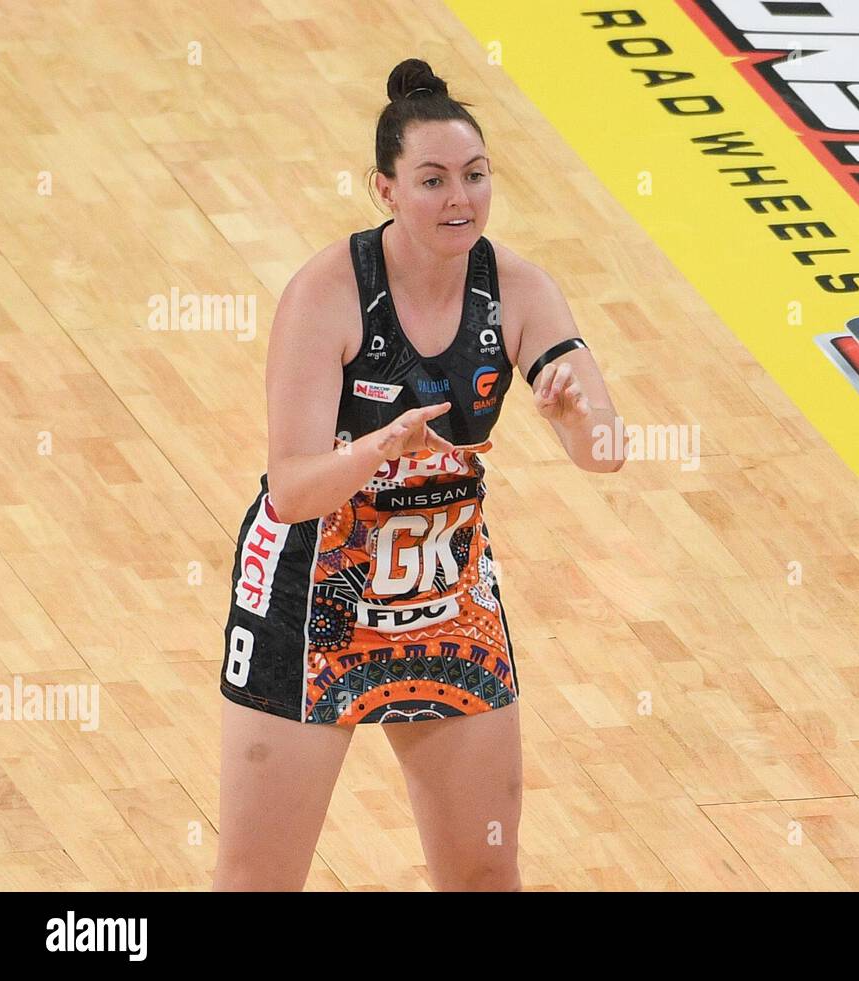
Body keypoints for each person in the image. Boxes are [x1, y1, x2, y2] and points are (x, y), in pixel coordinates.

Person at [212, 58, 623, 891]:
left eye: (475, 176)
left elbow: (605, 451)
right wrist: (377, 448)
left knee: (484, 873)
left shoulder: (518, 289)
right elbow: (291, 488)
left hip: (449, 597)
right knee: (258, 880)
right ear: (385, 189)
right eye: (432, 180)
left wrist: (579, 414)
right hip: (311, 599)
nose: (459, 198)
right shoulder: (325, 292)